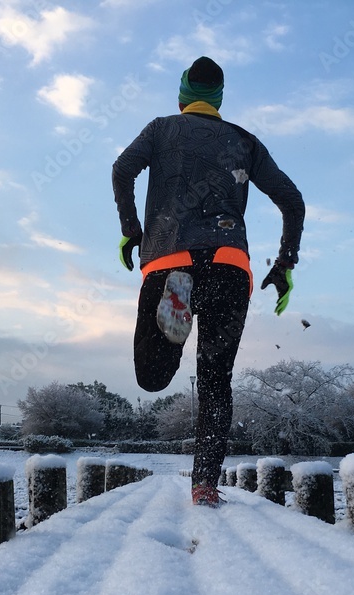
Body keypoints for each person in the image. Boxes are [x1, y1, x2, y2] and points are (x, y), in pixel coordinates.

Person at [112, 56, 305, 507]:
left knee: (153, 379)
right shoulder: (244, 141)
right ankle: (204, 483)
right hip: (230, 265)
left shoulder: (160, 129)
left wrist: (131, 230)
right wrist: (285, 264)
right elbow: (292, 201)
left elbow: (122, 170)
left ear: (182, 97)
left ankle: (177, 313)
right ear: (220, 100)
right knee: (216, 378)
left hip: (170, 258)